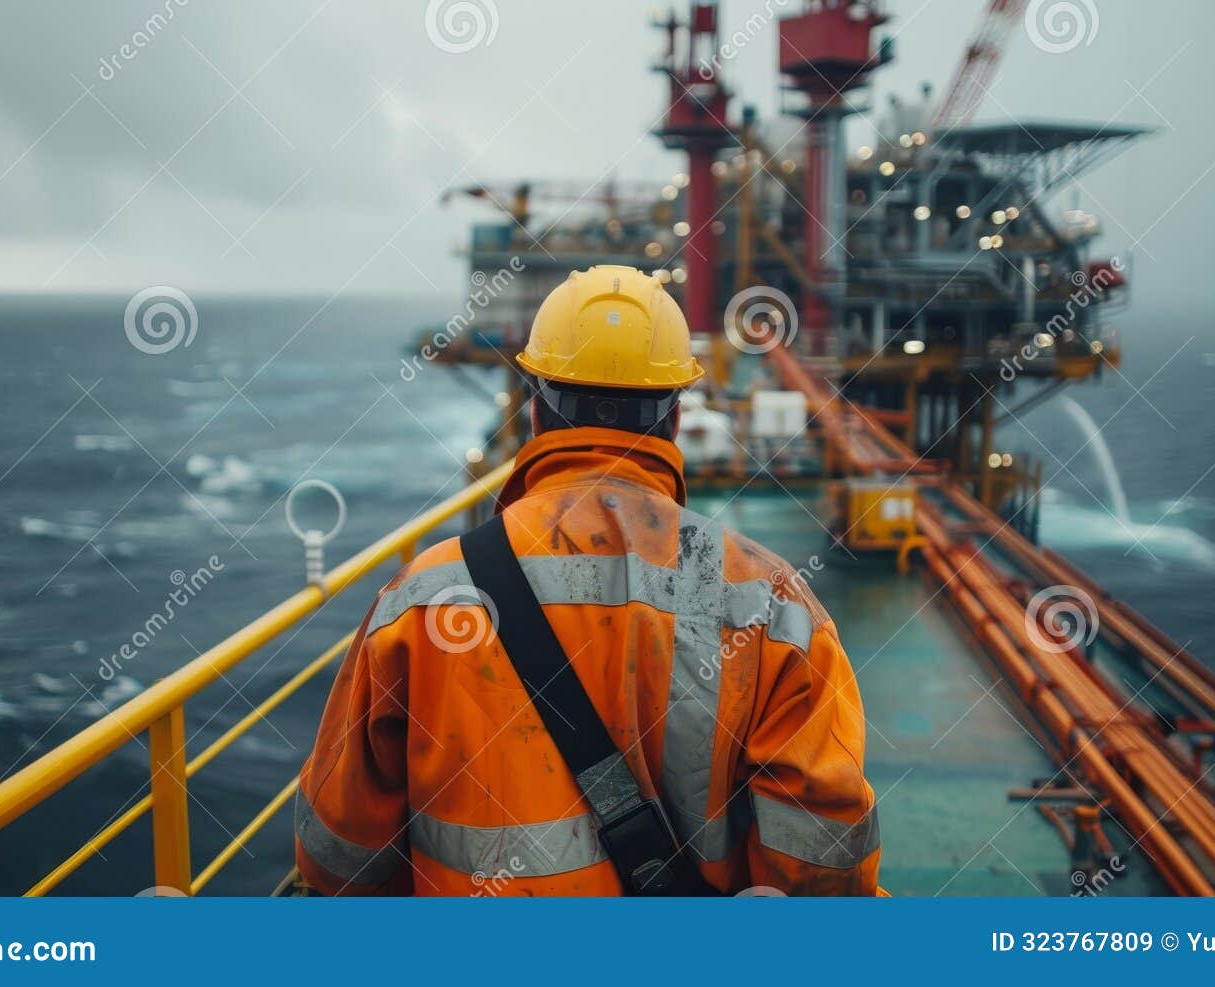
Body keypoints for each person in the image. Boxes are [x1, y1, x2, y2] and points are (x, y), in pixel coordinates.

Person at [295, 265, 880, 895]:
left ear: (536, 414)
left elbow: (339, 853)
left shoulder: (423, 596)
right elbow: (823, 861)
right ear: (676, 420)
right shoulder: (773, 603)